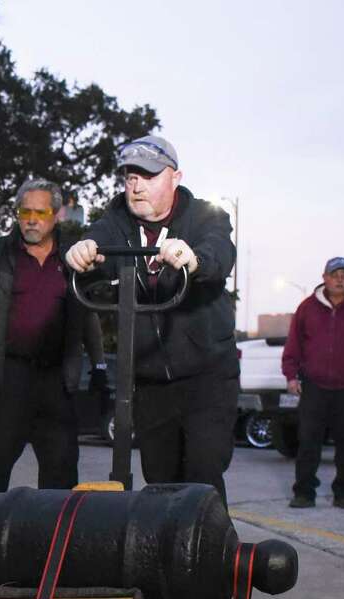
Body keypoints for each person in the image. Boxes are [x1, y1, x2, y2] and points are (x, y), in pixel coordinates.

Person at [65, 135, 239, 501]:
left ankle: (210, 555)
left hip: (205, 375)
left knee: (203, 476)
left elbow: (219, 251)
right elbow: (93, 242)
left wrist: (195, 259)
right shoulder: (115, 220)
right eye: (129, 176)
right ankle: (162, 555)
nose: (136, 185)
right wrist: (81, 254)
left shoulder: (205, 216)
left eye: (148, 175)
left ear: (175, 177)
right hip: (149, 379)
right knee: (159, 481)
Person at [0, 179, 105, 492]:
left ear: (56, 215)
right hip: (7, 378)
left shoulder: (73, 257)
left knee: (60, 477)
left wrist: (98, 365)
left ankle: (53, 540)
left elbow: (88, 314)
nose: (30, 219)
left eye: (40, 212)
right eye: (24, 211)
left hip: (56, 380)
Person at [281, 257, 344, 509]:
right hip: (313, 386)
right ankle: (304, 492)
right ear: (324, 277)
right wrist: (291, 375)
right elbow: (294, 345)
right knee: (308, 443)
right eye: (334, 274)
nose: (340, 279)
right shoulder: (307, 307)